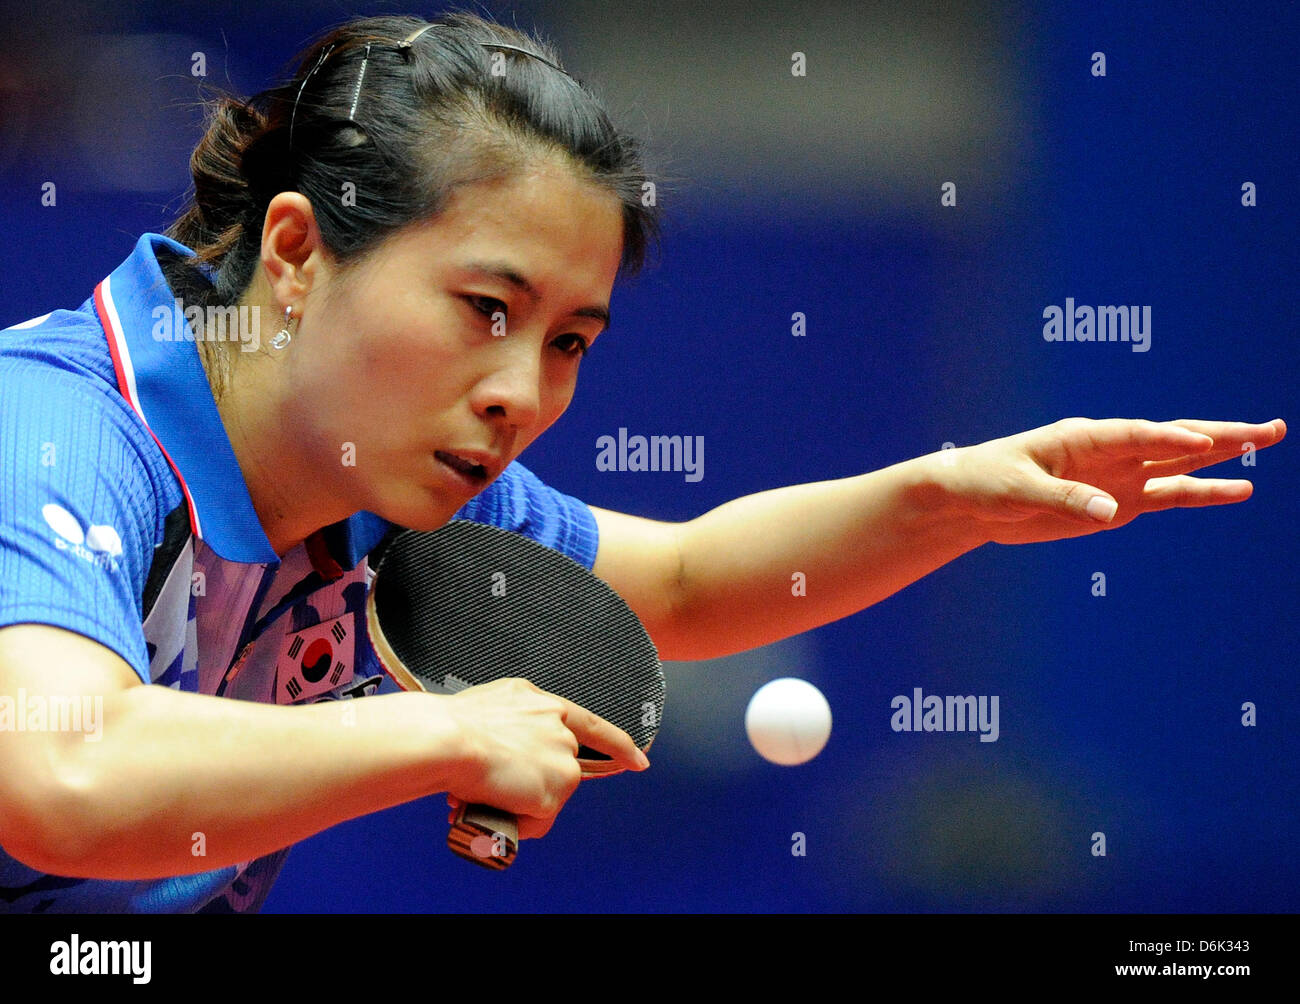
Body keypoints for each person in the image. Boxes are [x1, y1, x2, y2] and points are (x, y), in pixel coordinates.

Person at [0, 12, 1284, 913]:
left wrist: (944, 499)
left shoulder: (381, 485)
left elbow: (678, 585)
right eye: (483, 308)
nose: (522, 392)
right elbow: (61, 772)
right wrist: (438, 733)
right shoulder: (56, 434)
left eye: (569, 340)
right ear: (294, 252)